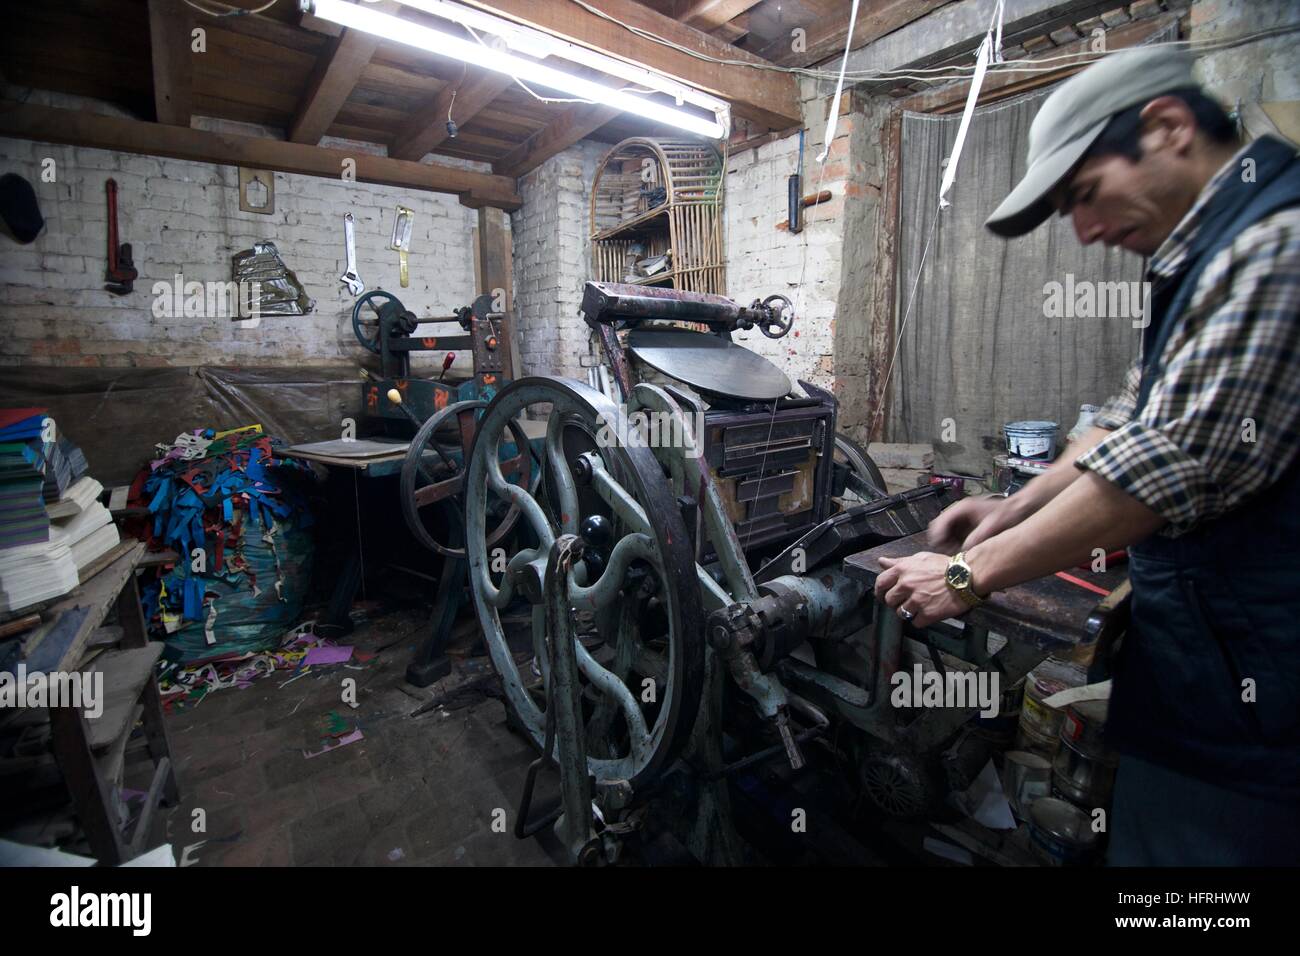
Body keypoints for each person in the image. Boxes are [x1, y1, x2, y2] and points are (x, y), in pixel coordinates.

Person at [872, 45, 1300, 865]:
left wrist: (964, 575)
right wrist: (1013, 507)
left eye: (1086, 195)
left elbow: (1161, 471)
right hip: (1202, 684)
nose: (1089, 231)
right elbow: (1124, 420)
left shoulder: (1275, 246)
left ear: (1168, 127)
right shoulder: (1204, 259)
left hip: (1259, 726)